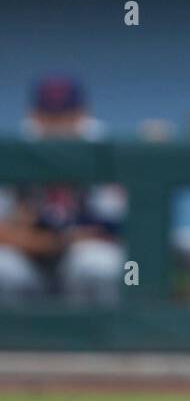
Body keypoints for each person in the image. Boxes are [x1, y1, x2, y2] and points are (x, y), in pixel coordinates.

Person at [0, 76, 126, 307]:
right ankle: (18, 340)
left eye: (65, 115)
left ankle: (113, 337)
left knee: (110, 267)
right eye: (49, 115)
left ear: (82, 113)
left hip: (90, 261)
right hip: (32, 261)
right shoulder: (14, 151)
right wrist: (56, 241)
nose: (58, 124)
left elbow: (128, 228)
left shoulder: (105, 150)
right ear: (33, 115)